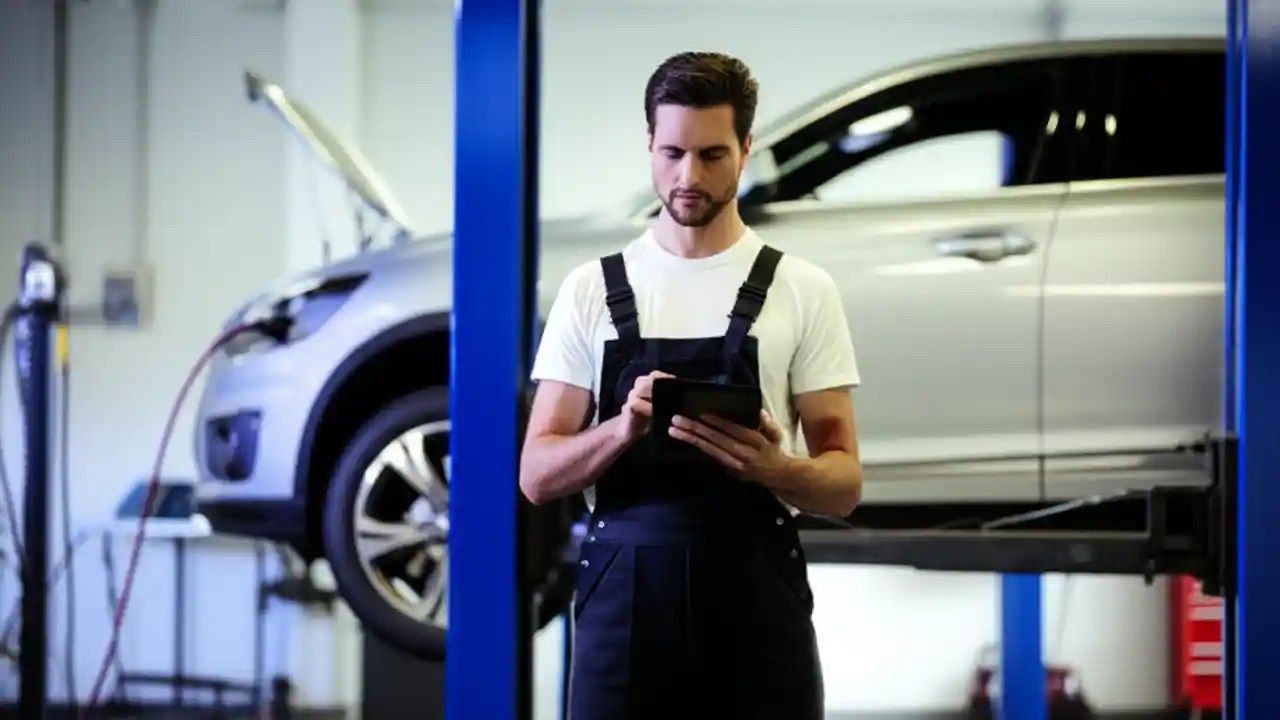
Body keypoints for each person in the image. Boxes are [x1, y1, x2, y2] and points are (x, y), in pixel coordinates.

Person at [519, 50, 863, 720]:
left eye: (712, 155)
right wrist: (621, 430)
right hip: (623, 600)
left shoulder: (802, 289)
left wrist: (776, 468)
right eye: (672, 153)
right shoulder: (591, 291)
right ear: (649, 143)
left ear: (746, 149)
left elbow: (844, 482)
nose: (688, 177)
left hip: (757, 600)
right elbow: (536, 474)